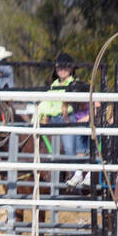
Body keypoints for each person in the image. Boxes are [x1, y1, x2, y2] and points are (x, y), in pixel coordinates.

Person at [34, 52, 88, 188]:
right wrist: (38, 114)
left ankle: (76, 175)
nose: (62, 70)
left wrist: (47, 110)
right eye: (59, 67)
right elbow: (46, 102)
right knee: (37, 143)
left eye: (65, 67)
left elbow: (64, 105)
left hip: (67, 119)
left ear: (71, 69)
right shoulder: (54, 85)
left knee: (69, 147)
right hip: (53, 120)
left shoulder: (74, 85)